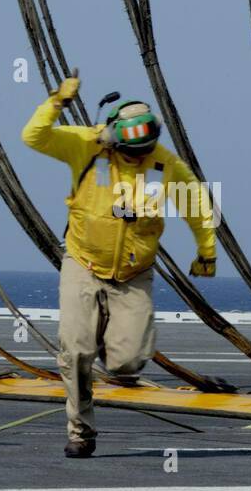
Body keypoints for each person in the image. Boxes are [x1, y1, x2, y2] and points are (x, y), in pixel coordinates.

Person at [22, 75, 216, 459]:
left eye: (144, 150)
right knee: (75, 351)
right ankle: (81, 431)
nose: (138, 159)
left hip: (133, 275)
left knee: (127, 363)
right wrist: (56, 101)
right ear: (113, 138)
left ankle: (108, 344)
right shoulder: (87, 147)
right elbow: (35, 137)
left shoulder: (165, 165)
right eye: (131, 152)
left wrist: (206, 251)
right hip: (83, 263)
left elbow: (197, 206)